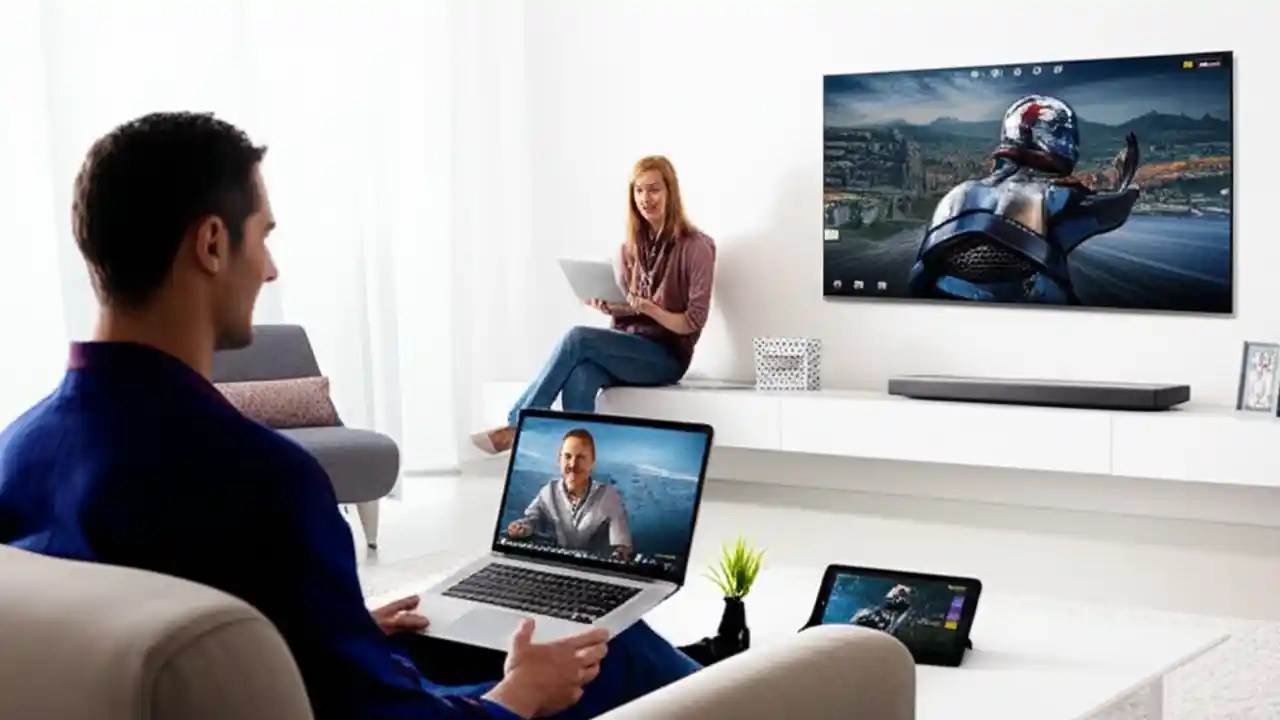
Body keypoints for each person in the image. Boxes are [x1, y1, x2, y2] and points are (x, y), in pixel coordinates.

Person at [0, 112, 698, 720]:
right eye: (262, 236)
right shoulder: (266, 483)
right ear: (212, 244)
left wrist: (331, 630)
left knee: (462, 633)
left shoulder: (17, 454)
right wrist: (517, 697)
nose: (270, 270)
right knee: (615, 650)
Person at [473, 156, 716, 455]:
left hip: (666, 356)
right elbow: (633, 309)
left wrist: (651, 308)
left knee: (578, 337)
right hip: (627, 347)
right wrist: (611, 306)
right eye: (638, 191)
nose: (645, 198)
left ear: (671, 193)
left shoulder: (697, 247)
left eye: (653, 189)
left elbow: (693, 321)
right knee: (581, 376)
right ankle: (586, 467)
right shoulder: (630, 248)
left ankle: (519, 424)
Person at [507, 429, 633, 562]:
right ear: (559, 460)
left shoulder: (608, 495)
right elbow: (532, 519)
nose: (573, 464)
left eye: (581, 458)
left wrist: (620, 552)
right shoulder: (549, 491)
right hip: (555, 565)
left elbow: (622, 543)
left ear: (592, 463)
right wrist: (523, 527)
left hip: (596, 572)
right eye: (567, 456)